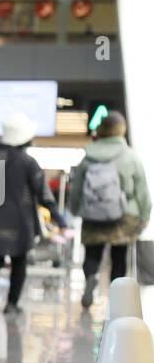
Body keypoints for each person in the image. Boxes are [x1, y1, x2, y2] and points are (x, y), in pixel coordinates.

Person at [0, 111, 66, 316]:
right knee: (19, 262)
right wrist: (60, 219)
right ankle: (11, 304)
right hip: (21, 222)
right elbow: (44, 194)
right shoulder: (27, 162)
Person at [66, 109, 150, 309]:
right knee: (118, 256)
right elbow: (142, 189)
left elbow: (77, 188)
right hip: (124, 214)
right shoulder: (130, 156)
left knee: (92, 254)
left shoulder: (89, 156)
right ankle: (116, 295)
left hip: (94, 213)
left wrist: (76, 209)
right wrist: (145, 214)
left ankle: (90, 280)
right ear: (121, 130)